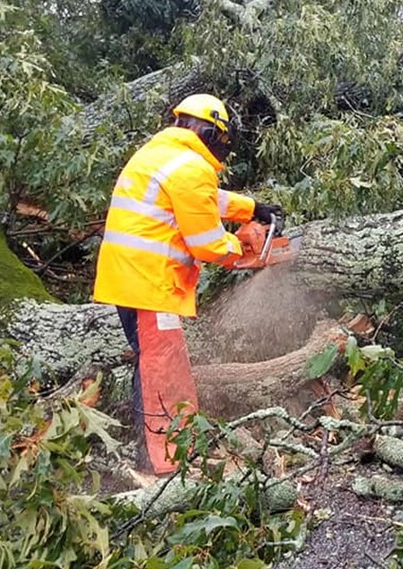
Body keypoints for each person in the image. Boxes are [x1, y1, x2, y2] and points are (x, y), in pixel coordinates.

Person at [92, 93, 283, 476]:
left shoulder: (163, 152)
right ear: (215, 134)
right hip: (150, 282)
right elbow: (208, 244)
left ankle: (172, 450)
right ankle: (160, 463)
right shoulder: (191, 166)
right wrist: (243, 246)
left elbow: (203, 199)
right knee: (161, 368)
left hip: (133, 277)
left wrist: (252, 209)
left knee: (159, 364)